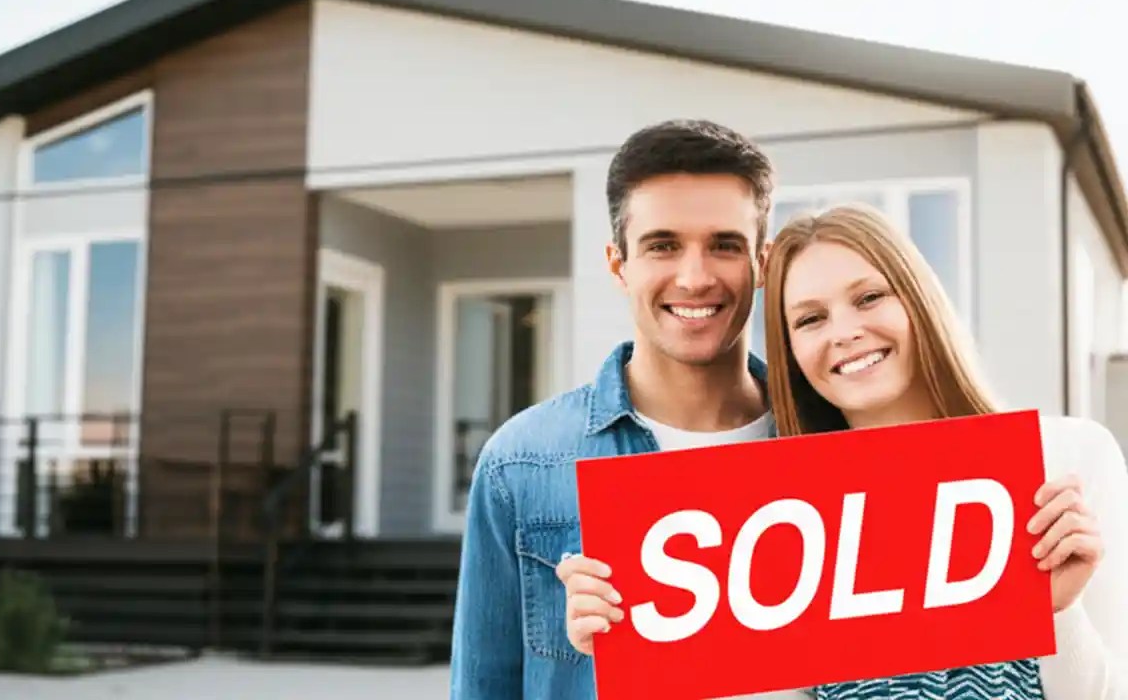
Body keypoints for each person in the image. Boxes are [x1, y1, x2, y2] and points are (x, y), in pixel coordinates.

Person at [558, 203, 1128, 699]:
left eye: (869, 297)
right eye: (811, 319)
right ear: (792, 353)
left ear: (918, 302)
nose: (845, 331)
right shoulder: (785, 516)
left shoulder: (1066, 459)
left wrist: (1055, 611)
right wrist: (633, 636)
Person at [448, 119, 779, 700]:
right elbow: (482, 688)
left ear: (764, 261)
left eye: (725, 245)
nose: (695, 277)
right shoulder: (520, 464)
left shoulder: (834, 440)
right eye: (663, 245)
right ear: (618, 264)